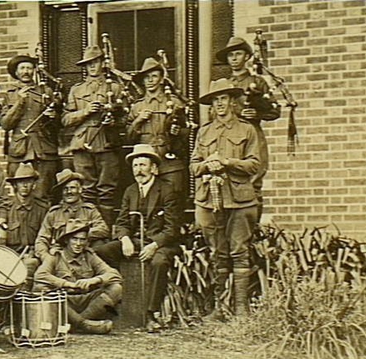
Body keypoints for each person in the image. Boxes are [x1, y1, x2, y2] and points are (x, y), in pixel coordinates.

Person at [190, 78, 262, 318]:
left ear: (232, 101)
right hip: (210, 200)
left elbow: (254, 164)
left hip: (239, 199)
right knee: (217, 252)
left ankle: (241, 308)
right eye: (215, 100)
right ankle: (221, 308)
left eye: (223, 99)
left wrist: (228, 162)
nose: (219, 104)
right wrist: (206, 165)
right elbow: (193, 165)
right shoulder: (205, 131)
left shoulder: (247, 129)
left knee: (239, 251)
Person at [95, 144, 183, 332]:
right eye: (135, 166)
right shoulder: (130, 191)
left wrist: (154, 245)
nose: (139, 170)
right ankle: (115, 300)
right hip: (135, 241)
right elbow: (122, 222)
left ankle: (152, 313)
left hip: (161, 243)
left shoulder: (167, 190)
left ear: (153, 168)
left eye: (143, 165)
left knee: (159, 262)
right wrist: (125, 239)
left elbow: (172, 228)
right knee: (100, 253)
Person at [216, 36, 281, 220]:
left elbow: (275, 111)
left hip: (252, 137)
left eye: (238, 54)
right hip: (229, 138)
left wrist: (258, 115)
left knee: (253, 182)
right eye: (231, 55)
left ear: (246, 57)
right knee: (229, 182)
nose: (234, 58)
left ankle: (254, 230)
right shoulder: (225, 85)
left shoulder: (257, 82)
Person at [61, 45, 126, 226]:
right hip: (82, 143)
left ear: (102, 63)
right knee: (86, 189)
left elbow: (126, 117)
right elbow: (66, 119)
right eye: (88, 64)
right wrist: (85, 111)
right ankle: (87, 231)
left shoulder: (114, 87)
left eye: (95, 62)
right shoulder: (77, 90)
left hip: (106, 142)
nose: (92, 67)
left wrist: (113, 121)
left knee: (107, 190)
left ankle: (104, 231)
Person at [34, 219, 122, 335]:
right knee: (40, 289)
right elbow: (40, 275)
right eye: (74, 239)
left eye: (83, 239)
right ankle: (83, 324)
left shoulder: (90, 256)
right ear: (66, 240)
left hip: (87, 302)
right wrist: (66, 284)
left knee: (116, 288)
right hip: (64, 302)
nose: (79, 244)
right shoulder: (55, 256)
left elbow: (114, 274)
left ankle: (75, 324)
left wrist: (94, 280)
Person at [126, 57, 189, 202]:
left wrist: (177, 132)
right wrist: (138, 121)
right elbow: (128, 139)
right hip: (145, 165)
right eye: (146, 77)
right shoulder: (137, 107)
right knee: (147, 203)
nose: (150, 80)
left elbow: (189, 133)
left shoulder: (174, 102)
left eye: (154, 76)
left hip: (170, 163)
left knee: (173, 202)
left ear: (161, 79)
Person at [0, 54, 60, 203]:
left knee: (44, 195)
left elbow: (59, 125)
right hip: (20, 151)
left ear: (34, 70)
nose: (26, 71)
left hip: (43, 150)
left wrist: (52, 116)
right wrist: (20, 102)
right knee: (21, 196)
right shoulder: (10, 95)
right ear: (16, 72)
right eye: (22, 68)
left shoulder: (46, 92)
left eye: (29, 67)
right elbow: (6, 124)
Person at [34, 168, 109, 262]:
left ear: (80, 189)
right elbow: (41, 239)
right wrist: (46, 257)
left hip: (84, 256)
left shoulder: (90, 210)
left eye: (72, 188)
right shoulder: (54, 213)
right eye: (65, 189)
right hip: (60, 257)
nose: (69, 192)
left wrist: (79, 234)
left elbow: (103, 229)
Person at [3, 162, 50, 291]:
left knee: (30, 266)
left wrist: (33, 253)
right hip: (10, 257)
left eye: (28, 182)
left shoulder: (42, 209)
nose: (24, 185)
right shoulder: (6, 209)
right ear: (15, 185)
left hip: (34, 257)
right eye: (20, 182)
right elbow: (0, 242)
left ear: (34, 185)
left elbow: (46, 238)